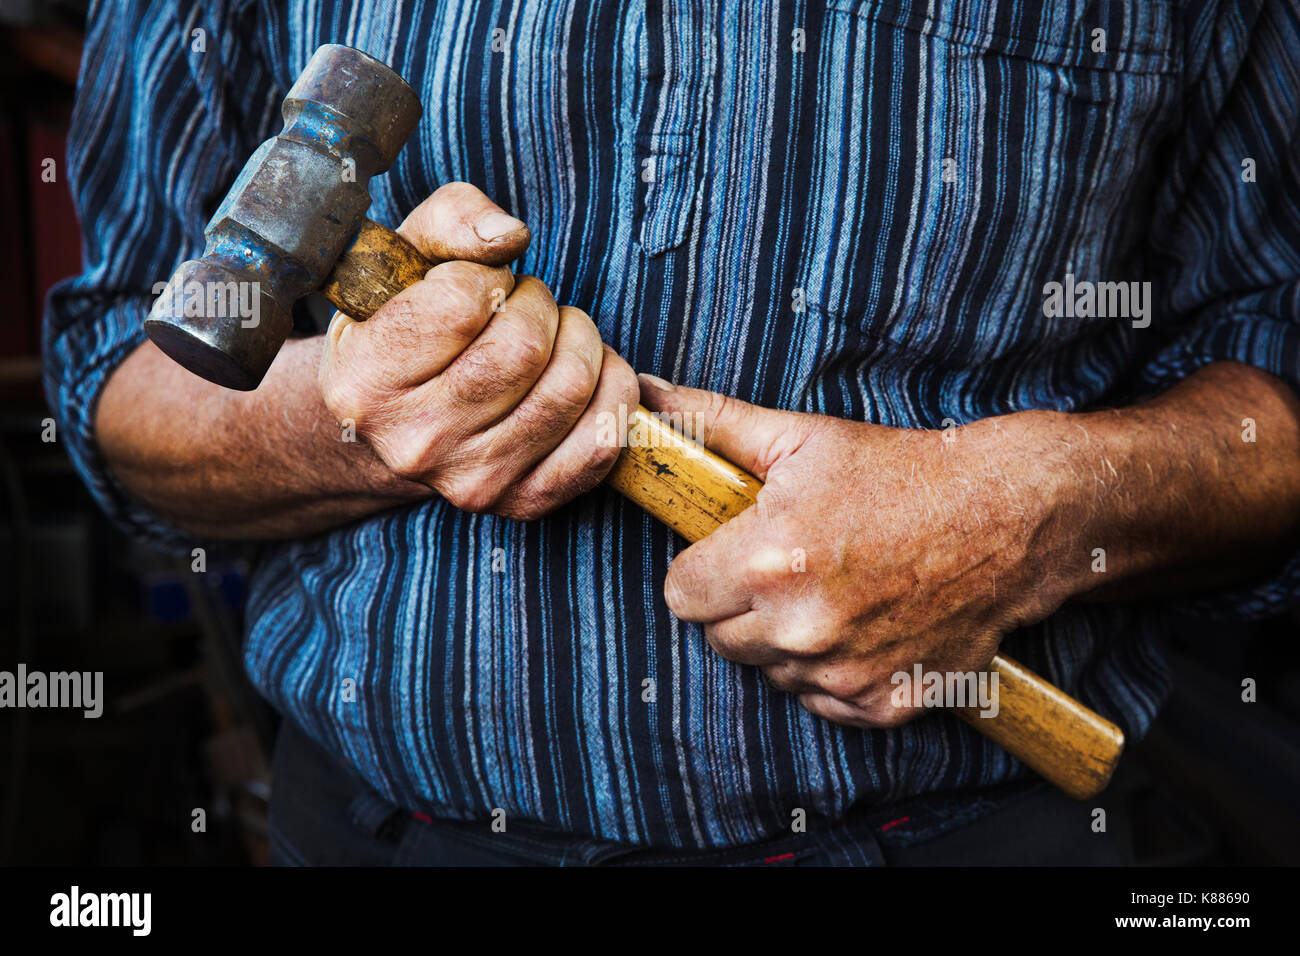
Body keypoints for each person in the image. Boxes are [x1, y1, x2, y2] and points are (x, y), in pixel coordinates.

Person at [46, 0, 1300, 865]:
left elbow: (1276, 358)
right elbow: (118, 376)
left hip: (989, 830)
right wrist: (349, 419)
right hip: (386, 839)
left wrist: (1035, 509)